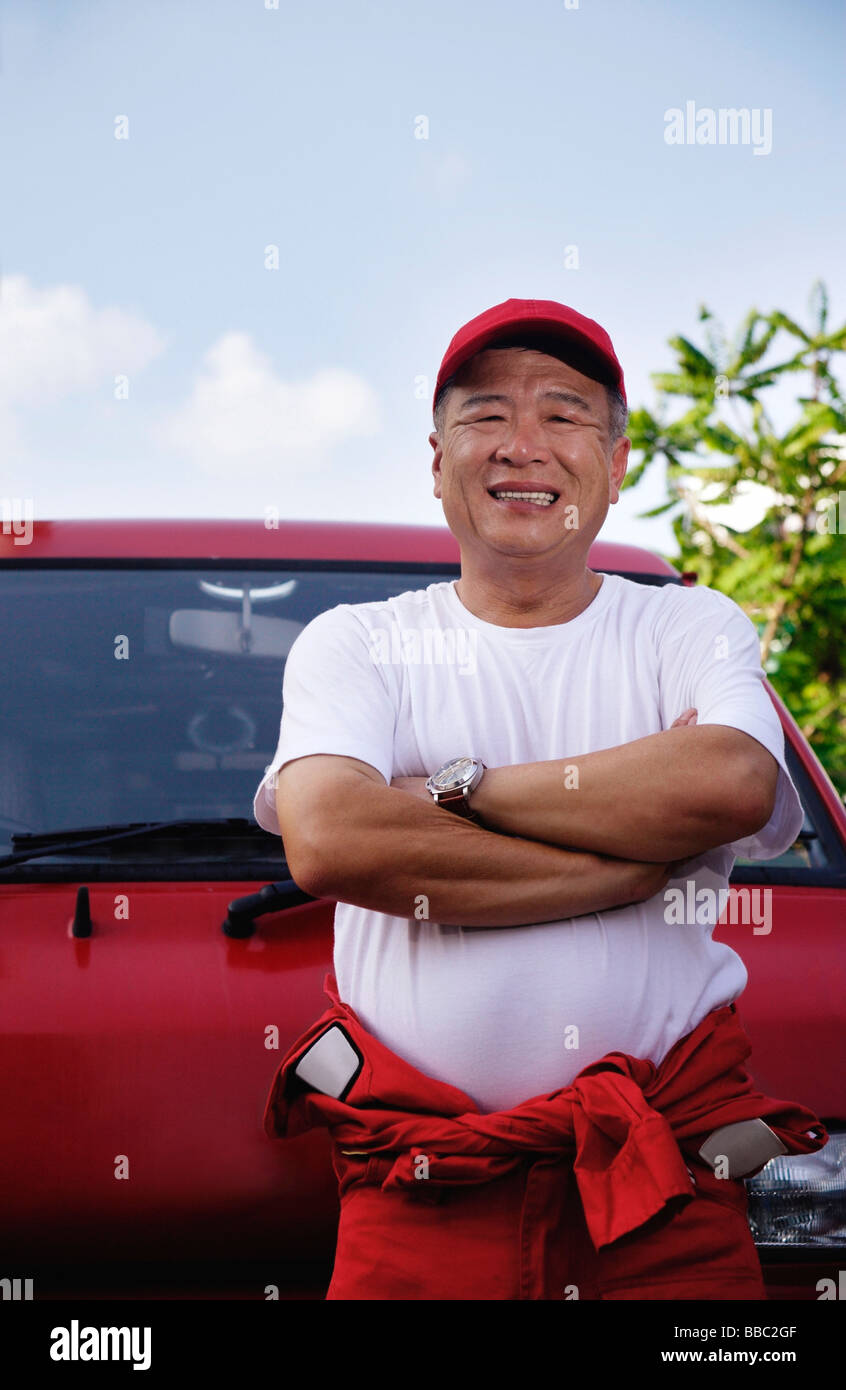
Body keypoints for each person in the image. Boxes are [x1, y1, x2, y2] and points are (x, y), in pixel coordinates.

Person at [252, 297, 826, 1300]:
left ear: (618, 458)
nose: (523, 445)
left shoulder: (687, 626)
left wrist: (458, 789)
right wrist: (627, 865)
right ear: (437, 460)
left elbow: (731, 779)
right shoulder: (358, 640)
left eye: (563, 414)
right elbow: (333, 836)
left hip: (665, 1188)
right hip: (419, 1184)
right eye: (485, 416)